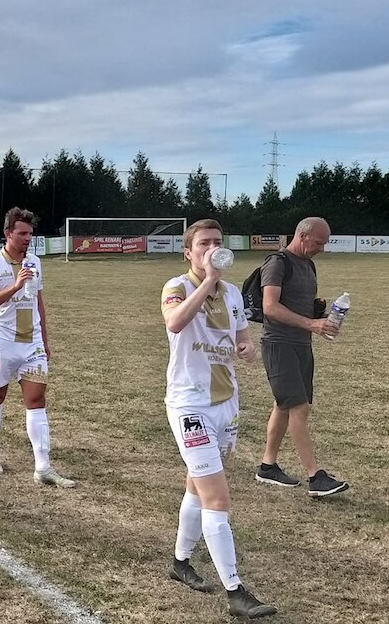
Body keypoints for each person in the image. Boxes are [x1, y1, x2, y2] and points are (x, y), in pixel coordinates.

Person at [160, 219, 277, 618]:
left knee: (197, 486)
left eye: (217, 243)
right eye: (204, 243)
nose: (212, 248)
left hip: (226, 403)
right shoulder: (177, 287)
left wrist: (246, 349)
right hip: (190, 405)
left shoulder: (231, 293)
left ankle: (180, 562)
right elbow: (175, 323)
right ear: (188, 251)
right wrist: (207, 281)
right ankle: (235, 591)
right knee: (218, 498)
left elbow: (243, 337)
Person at [0, 207, 75, 488]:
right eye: (22, 233)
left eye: (30, 233)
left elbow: (38, 301)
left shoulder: (35, 262)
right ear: (8, 233)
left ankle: (43, 468)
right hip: (2, 342)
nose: (27, 238)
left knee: (36, 401)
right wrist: (15, 285)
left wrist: (44, 338)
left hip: (31, 343)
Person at [255, 217, 349, 497]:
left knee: (284, 405)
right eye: (319, 242)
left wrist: (318, 312)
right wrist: (311, 324)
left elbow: (298, 304)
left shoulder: (308, 265)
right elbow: (270, 307)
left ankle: (267, 467)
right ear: (303, 236)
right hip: (279, 344)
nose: (322, 248)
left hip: (300, 344)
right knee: (298, 407)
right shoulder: (277, 263)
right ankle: (315, 477)